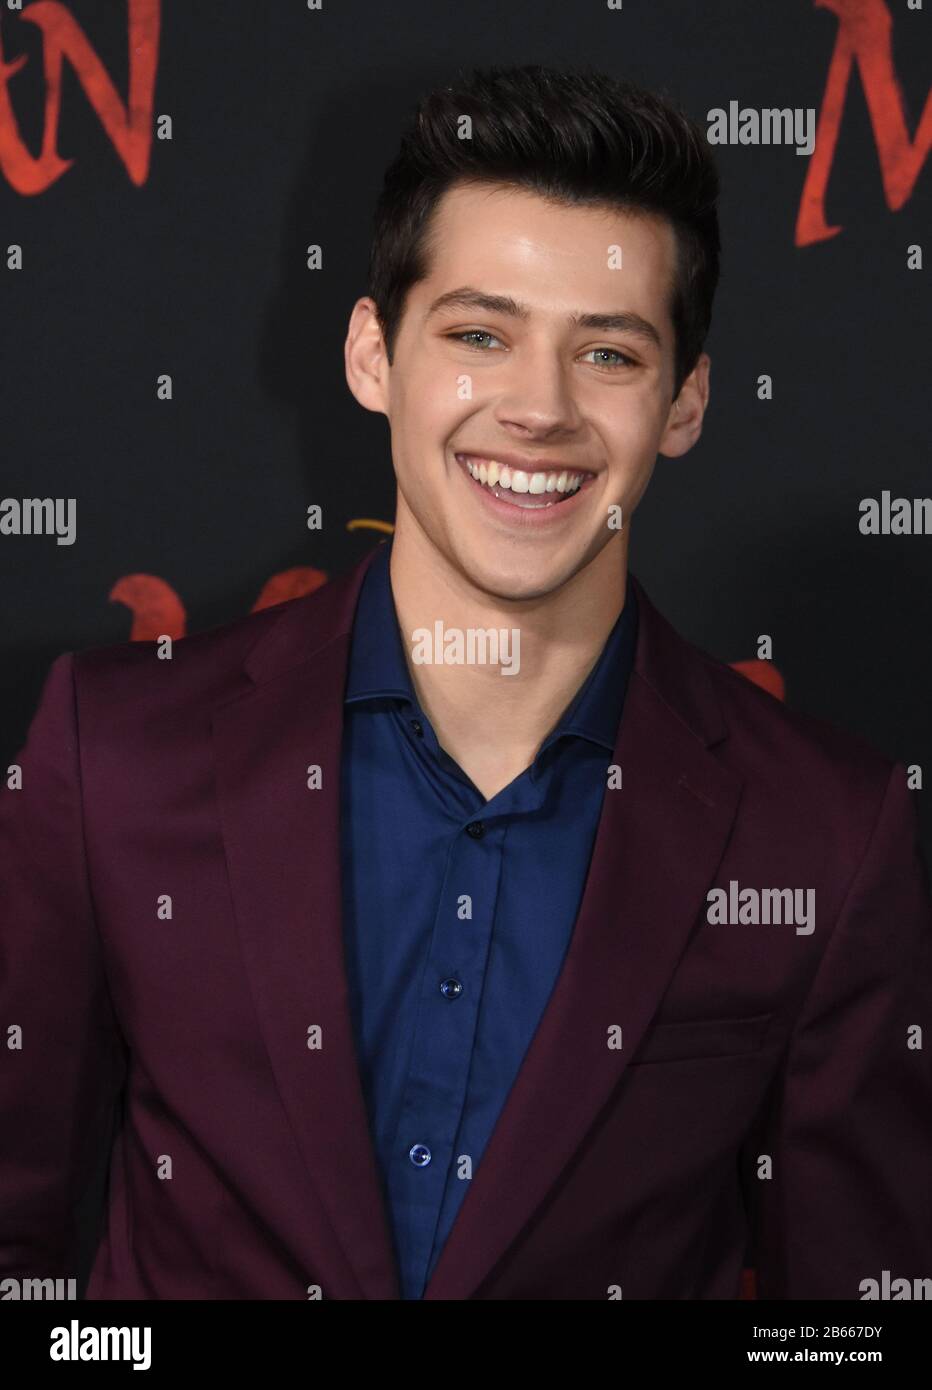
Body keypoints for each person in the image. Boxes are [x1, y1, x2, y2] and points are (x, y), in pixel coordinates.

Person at [1, 64, 930, 1302]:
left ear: (685, 402)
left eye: (605, 352)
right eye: (480, 335)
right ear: (371, 354)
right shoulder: (112, 751)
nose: (536, 409)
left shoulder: (824, 833)